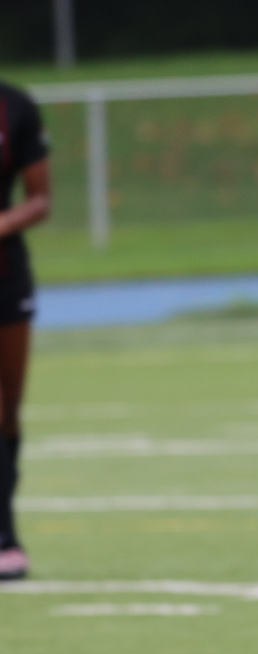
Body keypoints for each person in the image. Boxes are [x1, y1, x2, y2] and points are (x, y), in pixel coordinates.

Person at [0, 79, 51, 580]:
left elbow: (40, 200)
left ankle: (5, 531)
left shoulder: (15, 107)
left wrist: (1, 224)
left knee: (8, 411)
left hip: (6, 275)